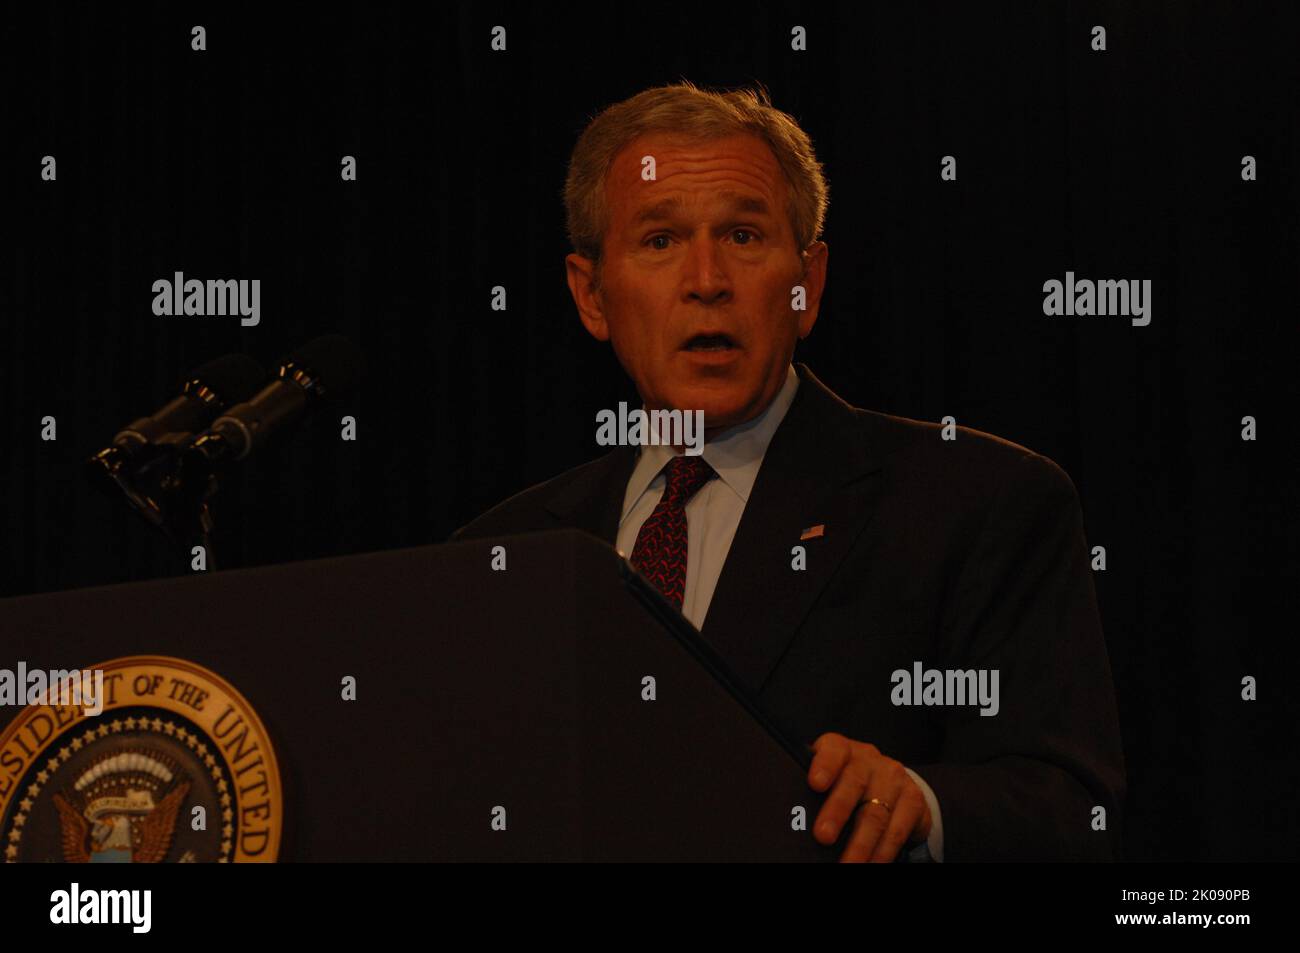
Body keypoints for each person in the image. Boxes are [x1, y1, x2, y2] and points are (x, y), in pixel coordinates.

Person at [453, 80, 1126, 862]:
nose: (706, 279)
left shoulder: (978, 504)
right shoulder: (502, 548)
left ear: (808, 284)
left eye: (743, 236)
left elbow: (1075, 812)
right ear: (591, 295)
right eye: (660, 241)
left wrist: (922, 806)